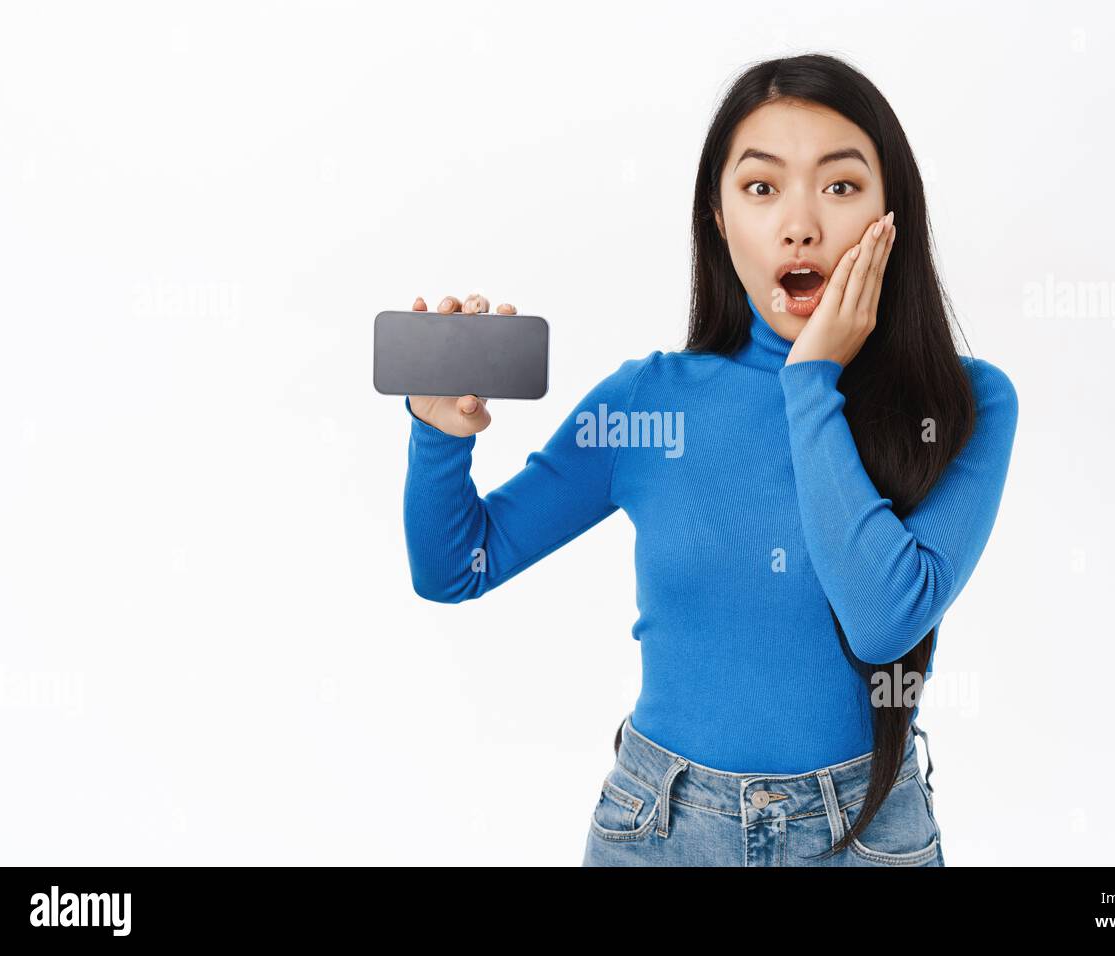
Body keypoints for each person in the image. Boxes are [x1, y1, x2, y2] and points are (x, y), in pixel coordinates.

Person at [401, 53, 1018, 866]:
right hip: (659, 828)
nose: (800, 224)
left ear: (891, 212)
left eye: (839, 186)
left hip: (865, 833)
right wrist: (438, 435)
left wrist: (811, 385)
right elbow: (456, 567)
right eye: (762, 189)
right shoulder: (647, 404)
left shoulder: (968, 403)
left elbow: (882, 621)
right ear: (719, 220)